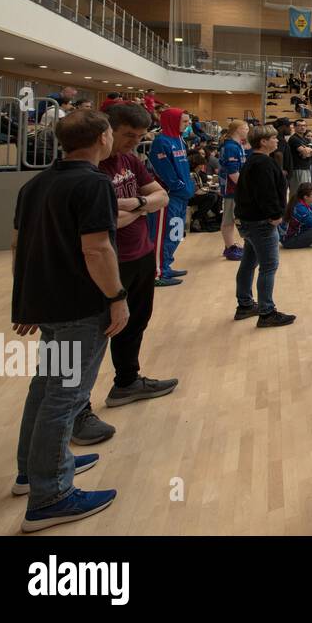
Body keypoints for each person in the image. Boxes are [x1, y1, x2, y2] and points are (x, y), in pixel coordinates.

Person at [11, 109, 126, 531]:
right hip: (80, 305)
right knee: (65, 397)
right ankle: (50, 495)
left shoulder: (36, 183)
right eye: (111, 132)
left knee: (44, 389)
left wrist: (24, 300)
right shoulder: (93, 184)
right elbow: (97, 250)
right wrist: (117, 296)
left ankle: (34, 470)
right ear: (100, 137)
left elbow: (19, 246)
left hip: (48, 304)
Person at [95, 101, 179, 422]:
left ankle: (126, 382)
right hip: (110, 260)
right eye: (128, 134)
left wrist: (137, 203)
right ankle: (77, 408)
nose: (134, 141)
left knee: (135, 323)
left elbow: (162, 196)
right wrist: (144, 206)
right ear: (107, 131)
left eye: (140, 135)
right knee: (96, 334)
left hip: (140, 253)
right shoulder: (91, 169)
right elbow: (107, 220)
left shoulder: (129, 159)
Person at [233, 126, 295, 328]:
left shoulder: (253, 160)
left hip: (249, 221)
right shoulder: (263, 164)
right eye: (273, 137)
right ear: (263, 142)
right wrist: (275, 215)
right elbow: (266, 194)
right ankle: (266, 312)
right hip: (261, 223)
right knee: (268, 267)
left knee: (249, 263)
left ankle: (245, 305)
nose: (277, 140)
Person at [149, 108, 194, 286]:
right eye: (184, 121)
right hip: (168, 196)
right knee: (162, 234)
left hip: (181, 196)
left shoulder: (180, 139)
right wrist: (179, 187)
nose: (188, 124)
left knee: (176, 234)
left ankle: (165, 265)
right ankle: (157, 273)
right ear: (172, 121)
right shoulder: (161, 141)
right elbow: (164, 170)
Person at [217, 121, 247, 261]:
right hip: (231, 188)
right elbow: (233, 172)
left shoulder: (238, 145)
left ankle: (231, 245)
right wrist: (247, 187)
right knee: (229, 219)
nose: (248, 130)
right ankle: (229, 248)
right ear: (238, 129)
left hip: (236, 188)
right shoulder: (230, 146)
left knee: (234, 218)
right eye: (246, 128)